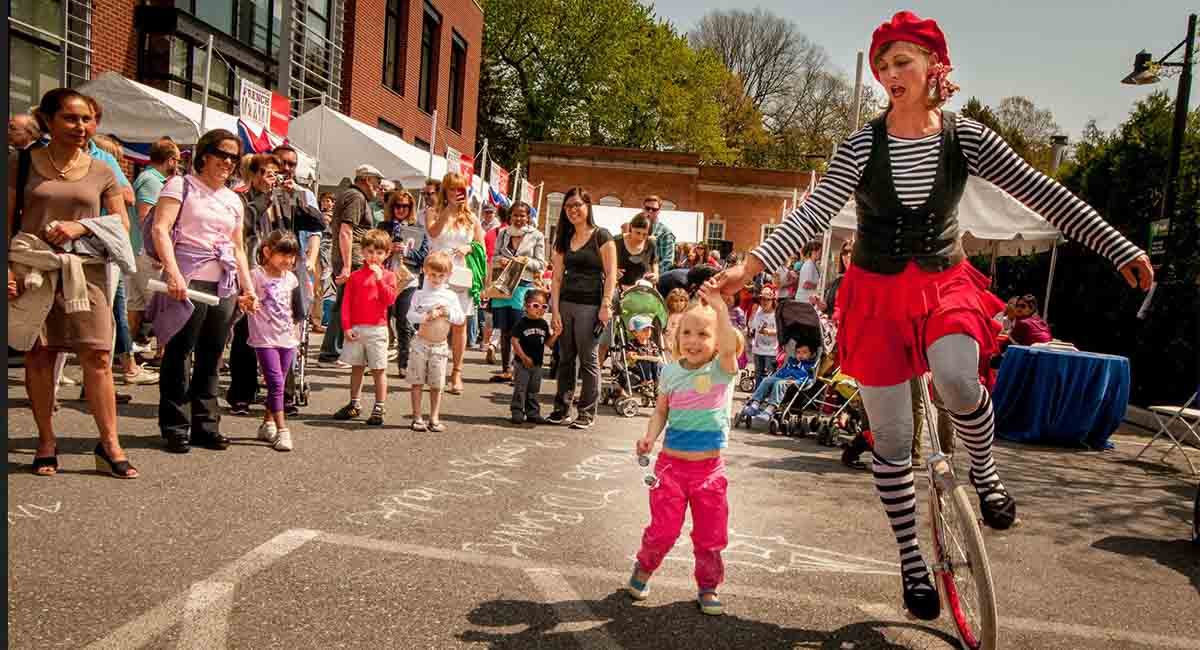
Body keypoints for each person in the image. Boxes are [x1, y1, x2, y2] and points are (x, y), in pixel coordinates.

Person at [717, 10, 1154, 621]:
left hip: (944, 282)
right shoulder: (861, 145)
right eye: (882, 66)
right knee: (893, 439)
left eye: (902, 62)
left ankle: (986, 471)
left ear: (933, 67)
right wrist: (752, 265)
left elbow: (1043, 191)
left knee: (956, 377)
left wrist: (1117, 244)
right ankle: (911, 560)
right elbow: (813, 212)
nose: (890, 74)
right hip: (875, 295)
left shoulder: (966, 137)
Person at [7, 88, 138, 478]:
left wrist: (81, 226)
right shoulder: (20, 162)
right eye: (70, 118)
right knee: (40, 355)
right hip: (34, 269)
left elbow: (121, 224)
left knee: (98, 356)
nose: (81, 126)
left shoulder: (103, 169)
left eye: (87, 119)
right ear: (48, 120)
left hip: (86, 273)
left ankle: (110, 444)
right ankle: (46, 441)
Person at [628, 279, 738, 616]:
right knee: (663, 530)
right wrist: (650, 437)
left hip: (709, 471)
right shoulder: (671, 373)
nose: (693, 340)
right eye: (686, 333)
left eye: (703, 334)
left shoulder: (721, 369)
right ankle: (643, 569)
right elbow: (661, 411)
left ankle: (708, 586)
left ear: (717, 340)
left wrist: (719, 306)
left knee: (710, 535)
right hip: (670, 467)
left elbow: (730, 345)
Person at [150, 128, 256, 454]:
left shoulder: (234, 200)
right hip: (187, 278)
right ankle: (175, 427)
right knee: (179, 353)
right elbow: (160, 229)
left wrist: (248, 288)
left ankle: (206, 426)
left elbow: (238, 248)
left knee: (212, 355)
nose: (228, 162)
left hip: (223, 283)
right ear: (205, 154)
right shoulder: (180, 185)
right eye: (222, 154)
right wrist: (173, 273)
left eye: (233, 157)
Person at [548, 187, 617, 430]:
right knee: (565, 358)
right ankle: (561, 409)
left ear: (588, 206)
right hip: (566, 303)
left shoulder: (602, 236)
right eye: (568, 206)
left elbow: (611, 274)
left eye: (577, 205)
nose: (573, 210)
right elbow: (556, 278)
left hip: (591, 305)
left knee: (588, 359)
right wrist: (555, 311)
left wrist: (606, 304)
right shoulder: (563, 238)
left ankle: (586, 413)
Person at [318, 164, 385, 366]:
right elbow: (346, 231)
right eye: (377, 182)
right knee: (346, 305)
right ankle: (333, 353)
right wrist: (347, 266)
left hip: (349, 258)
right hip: (352, 260)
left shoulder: (351, 195)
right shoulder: (356, 197)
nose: (379, 187)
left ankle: (333, 351)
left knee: (343, 304)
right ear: (367, 179)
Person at [332, 229, 401, 425]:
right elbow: (346, 304)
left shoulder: (389, 276)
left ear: (387, 254)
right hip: (356, 329)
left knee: (379, 369)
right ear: (362, 251)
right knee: (357, 367)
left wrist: (379, 279)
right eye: (370, 251)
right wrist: (346, 327)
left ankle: (379, 406)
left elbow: (389, 300)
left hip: (377, 329)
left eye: (379, 253)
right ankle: (354, 403)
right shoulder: (355, 276)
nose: (374, 256)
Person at [427, 171, 486, 394]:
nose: (456, 192)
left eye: (460, 189)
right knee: (436, 322)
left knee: (460, 324)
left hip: (461, 274)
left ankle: (457, 372)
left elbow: (481, 247)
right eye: (452, 188)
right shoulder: (434, 212)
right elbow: (433, 233)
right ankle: (436, 369)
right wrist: (449, 210)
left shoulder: (471, 218)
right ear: (445, 190)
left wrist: (468, 247)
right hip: (438, 274)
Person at [127, 137, 180, 373]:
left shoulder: (151, 178)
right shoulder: (151, 181)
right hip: (147, 254)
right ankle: (162, 354)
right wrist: (159, 253)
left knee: (136, 305)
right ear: (170, 160)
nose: (178, 165)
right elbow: (146, 218)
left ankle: (128, 354)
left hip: (140, 252)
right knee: (161, 305)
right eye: (177, 160)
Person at [248, 230, 302, 451]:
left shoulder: (291, 278)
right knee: (276, 383)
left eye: (292, 256)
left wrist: (297, 335)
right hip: (264, 338)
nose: (288, 260)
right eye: (283, 255)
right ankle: (282, 430)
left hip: (288, 338)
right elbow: (243, 298)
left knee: (277, 384)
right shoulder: (255, 276)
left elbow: (296, 310)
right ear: (267, 252)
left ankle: (267, 423)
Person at [405, 250, 465, 431]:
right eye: (432, 275)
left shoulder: (451, 295)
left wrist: (448, 313)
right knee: (417, 382)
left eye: (441, 275)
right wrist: (425, 317)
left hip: (440, 346)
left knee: (437, 384)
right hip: (421, 343)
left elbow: (460, 318)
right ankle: (417, 417)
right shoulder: (419, 294)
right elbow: (410, 316)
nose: (436, 279)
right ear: (425, 271)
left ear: (448, 275)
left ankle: (434, 417)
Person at [490, 201, 546, 383]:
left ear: (528, 217)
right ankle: (506, 369)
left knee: (520, 330)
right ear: (510, 216)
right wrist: (501, 260)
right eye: (515, 215)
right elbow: (494, 257)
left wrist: (523, 261)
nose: (519, 219)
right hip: (503, 285)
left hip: (523, 286)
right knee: (505, 330)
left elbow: (541, 264)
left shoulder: (536, 236)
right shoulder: (503, 233)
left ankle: (519, 370)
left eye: (523, 215)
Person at [599, 212, 659, 368]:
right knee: (608, 330)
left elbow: (654, 262)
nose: (640, 237)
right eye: (637, 233)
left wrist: (655, 274)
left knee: (638, 327)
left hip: (639, 292)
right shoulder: (616, 242)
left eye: (644, 234)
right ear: (631, 228)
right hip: (616, 288)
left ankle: (634, 365)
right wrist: (611, 272)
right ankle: (596, 367)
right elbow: (602, 261)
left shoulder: (650, 244)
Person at [380, 189, 429, 378]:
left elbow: (423, 257)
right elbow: (371, 249)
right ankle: (378, 361)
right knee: (381, 321)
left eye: (405, 206)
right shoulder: (383, 227)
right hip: (385, 278)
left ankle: (404, 362)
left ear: (411, 208)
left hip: (408, 279)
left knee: (403, 321)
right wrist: (388, 249)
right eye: (397, 206)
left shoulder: (418, 228)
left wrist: (406, 252)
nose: (401, 209)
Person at [510, 288, 557, 424]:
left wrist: (556, 334)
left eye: (544, 307)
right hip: (522, 363)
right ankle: (517, 411)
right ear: (526, 306)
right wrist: (523, 357)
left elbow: (548, 343)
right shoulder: (521, 323)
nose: (540, 309)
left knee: (534, 389)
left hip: (537, 364)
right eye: (535, 305)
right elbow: (514, 341)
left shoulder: (543, 324)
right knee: (521, 388)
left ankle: (533, 412)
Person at [742, 343, 817, 421]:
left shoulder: (810, 367)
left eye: (804, 352)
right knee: (767, 380)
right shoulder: (791, 362)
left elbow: (810, 380)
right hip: (782, 379)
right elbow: (781, 373)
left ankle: (770, 409)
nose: (800, 355)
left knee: (779, 383)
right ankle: (755, 404)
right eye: (798, 352)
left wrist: (796, 381)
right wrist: (775, 376)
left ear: (812, 354)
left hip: (795, 384)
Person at [314, 191, 336, 333]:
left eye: (329, 201)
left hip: (330, 256)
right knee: (318, 289)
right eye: (324, 200)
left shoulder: (337, 218)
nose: (326, 203)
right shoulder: (317, 216)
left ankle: (325, 320)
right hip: (317, 255)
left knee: (329, 290)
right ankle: (317, 321)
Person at [749, 287, 779, 389]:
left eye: (767, 299)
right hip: (758, 349)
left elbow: (781, 331)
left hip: (771, 351)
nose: (764, 302)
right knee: (758, 374)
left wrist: (770, 332)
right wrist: (753, 313)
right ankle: (757, 394)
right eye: (762, 299)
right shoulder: (758, 313)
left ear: (772, 300)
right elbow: (752, 326)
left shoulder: (776, 314)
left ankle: (767, 395)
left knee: (769, 375)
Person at [643, 195, 675, 276]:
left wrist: (651, 274)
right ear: (643, 208)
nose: (650, 211)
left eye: (654, 209)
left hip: (652, 278)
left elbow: (667, 262)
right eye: (647, 208)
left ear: (659, 211)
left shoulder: (665, 233)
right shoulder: (634, 228)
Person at [663, 288, 689, 361]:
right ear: (670, 302)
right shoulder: (667, 316)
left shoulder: (687, 316)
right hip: (669, 348)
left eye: (681, 300)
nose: (679, 303)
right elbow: (665, 333)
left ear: (686, 302)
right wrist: (667, 345)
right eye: (675, 301)